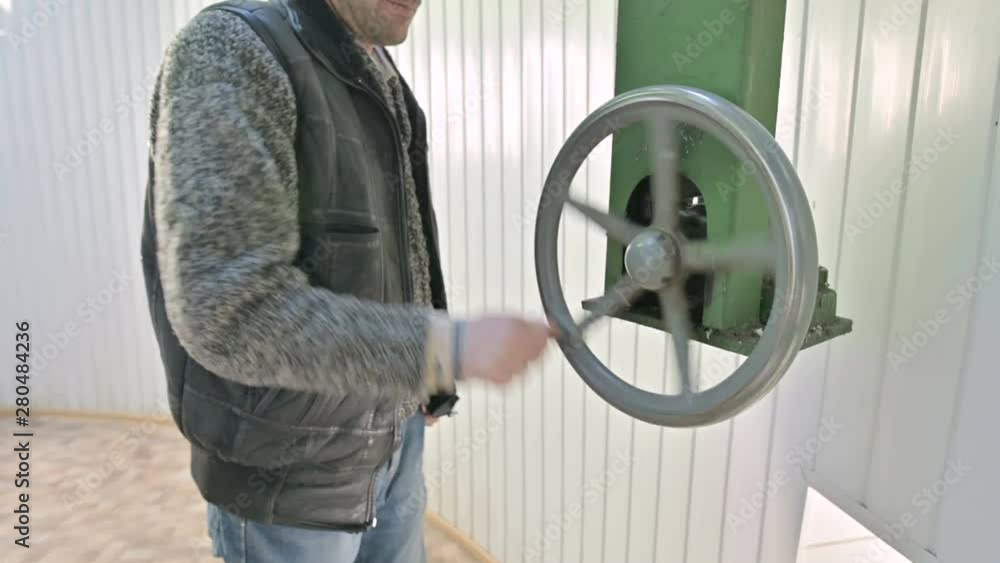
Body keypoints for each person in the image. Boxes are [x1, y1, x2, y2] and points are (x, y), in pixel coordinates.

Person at [138, 0, 552, 561]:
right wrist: (444, 348)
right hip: (285, 482)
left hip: (391, 439)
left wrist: (423, 385)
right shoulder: (232, 49)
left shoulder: (371, 57)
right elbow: (229, 314)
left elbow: (393, 235)